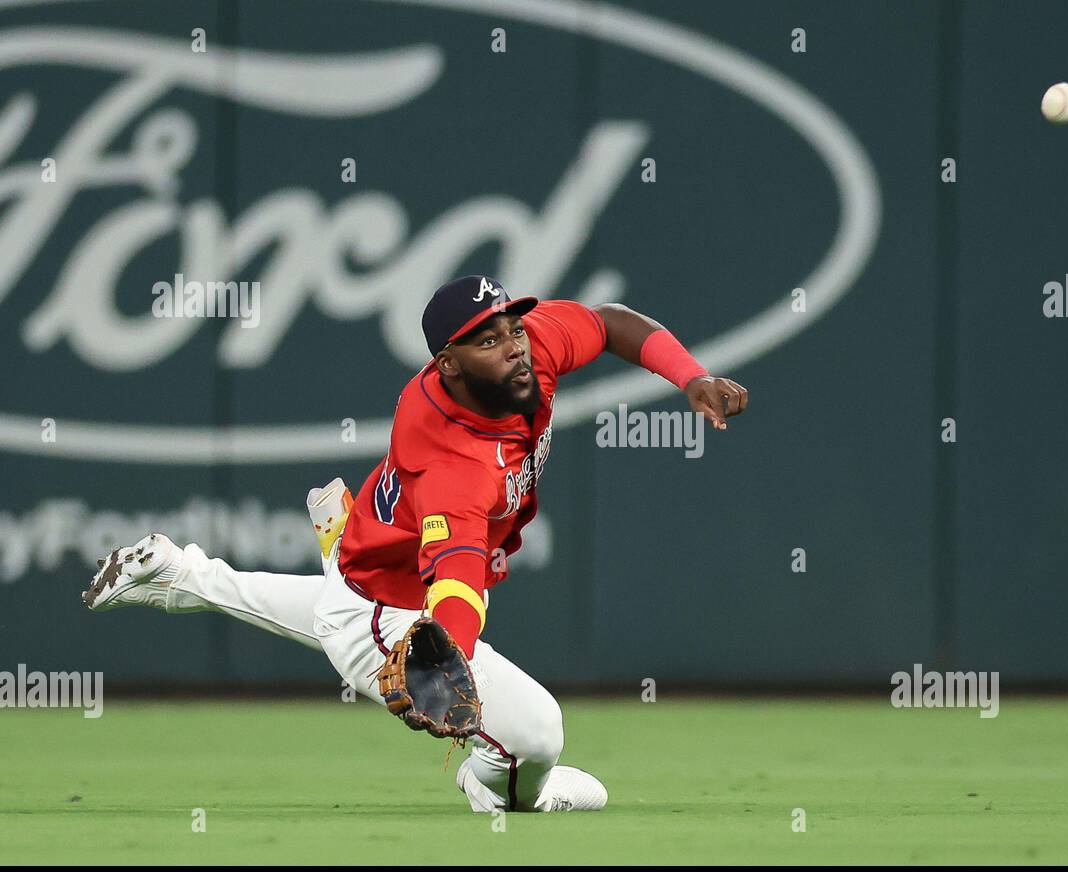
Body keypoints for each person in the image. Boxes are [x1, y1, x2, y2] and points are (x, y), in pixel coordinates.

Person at [83, 275, 749, 813]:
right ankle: (490, 785)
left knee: (334, 606)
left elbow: (610, 323)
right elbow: (458, 577)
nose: (513, 345)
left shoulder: (527, 350)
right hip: (391, 608)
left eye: (512, 327)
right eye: (488, 340)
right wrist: (442, 655)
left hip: (375, 556)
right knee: (538, 733)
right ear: (448, 364)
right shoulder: (453, 463)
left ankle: (179, 574)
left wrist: (691, 378)